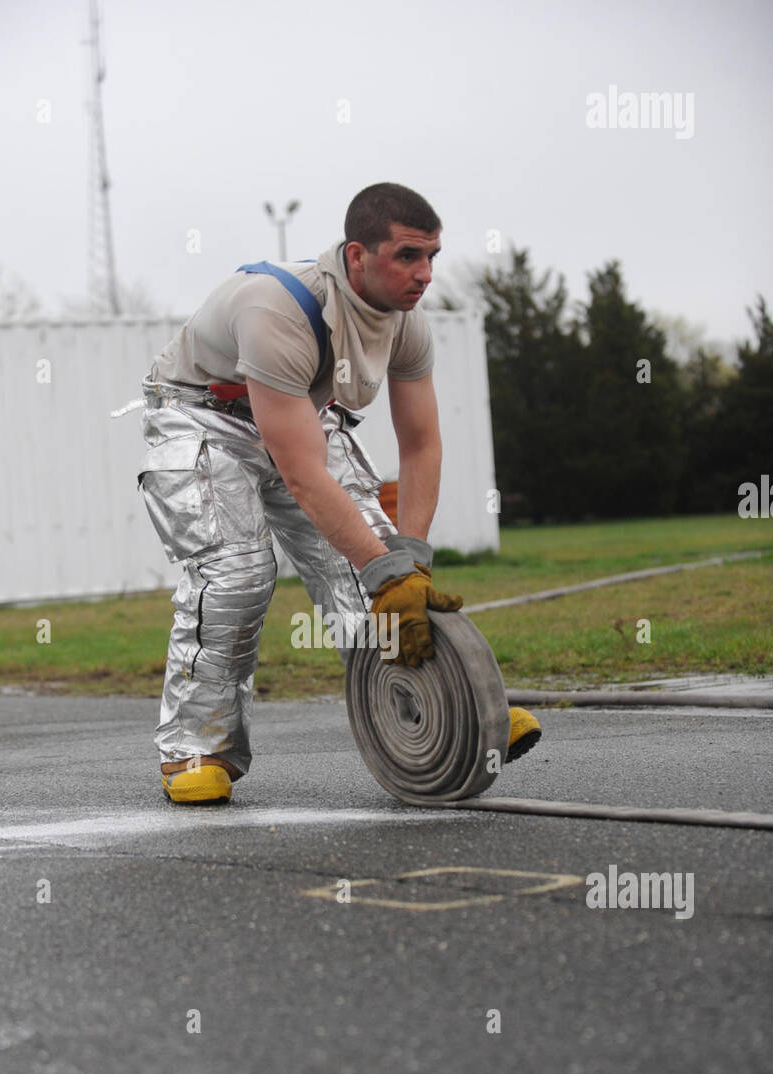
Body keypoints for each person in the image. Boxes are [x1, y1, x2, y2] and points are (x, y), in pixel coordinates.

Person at [138, 182, 541, 804]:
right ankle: (195, 749)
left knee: (378, 565)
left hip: (296, 413)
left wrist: (410, 556)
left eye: (432, 255)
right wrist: (389, 569)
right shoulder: (276, 310)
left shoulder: (406, 322)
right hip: (203, 417)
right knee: (238, 576)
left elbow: (422, 445)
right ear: (358, 255)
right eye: (407, 255)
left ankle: (455, 708)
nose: (425, 273)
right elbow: (301, 474)